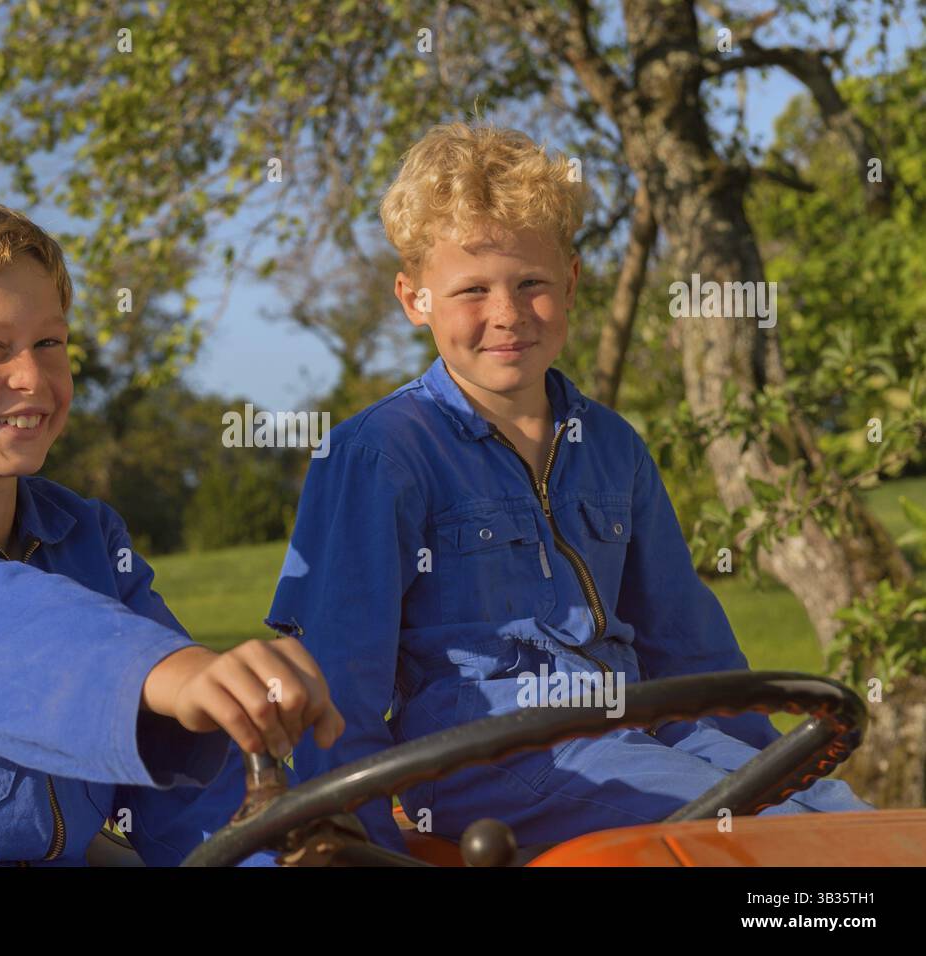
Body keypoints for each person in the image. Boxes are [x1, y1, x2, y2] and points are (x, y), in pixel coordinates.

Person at [266, 122, 872, 857]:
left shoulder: (612, 446)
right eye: (472, 291)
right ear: (413, 298)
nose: (507, 315)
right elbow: (340, 677)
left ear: (573, 282)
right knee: (753, 843)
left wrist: (775, 764)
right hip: (492, 754)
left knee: (849, 825)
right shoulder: (379, 454)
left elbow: (687, 645)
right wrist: (351, 842)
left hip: (644, 723)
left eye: (532, 284)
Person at [0, 195, 343, 866]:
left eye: (49, 343)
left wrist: (276, 839)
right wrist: (169, 671)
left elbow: (186, 790)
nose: (31, 376)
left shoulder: (87, 537)